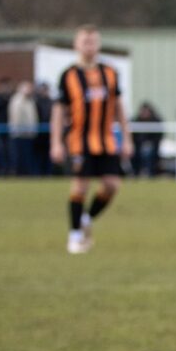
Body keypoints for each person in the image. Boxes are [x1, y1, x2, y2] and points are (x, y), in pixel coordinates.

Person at [51, 25, 129, 253]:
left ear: (99, 44)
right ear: (76, 45)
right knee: (81, 186)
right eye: (85, 42)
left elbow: (119, 108)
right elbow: (58, 112)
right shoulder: (69, 76)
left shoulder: (110, 73)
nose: (89, 46)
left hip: (105, 140)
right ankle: (74, 236)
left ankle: (86, 219)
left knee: (112, 184)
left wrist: (127, 138)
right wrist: (56, 142)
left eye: (93, 42)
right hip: (79, 141)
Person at [8, 81, 39, 177]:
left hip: (28, 134)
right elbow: (16, 118)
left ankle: (26, 175)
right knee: (18, 157)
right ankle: (18, 175)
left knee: (27, 157)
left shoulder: (30, 101)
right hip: (19, 134)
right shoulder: (17, 100)